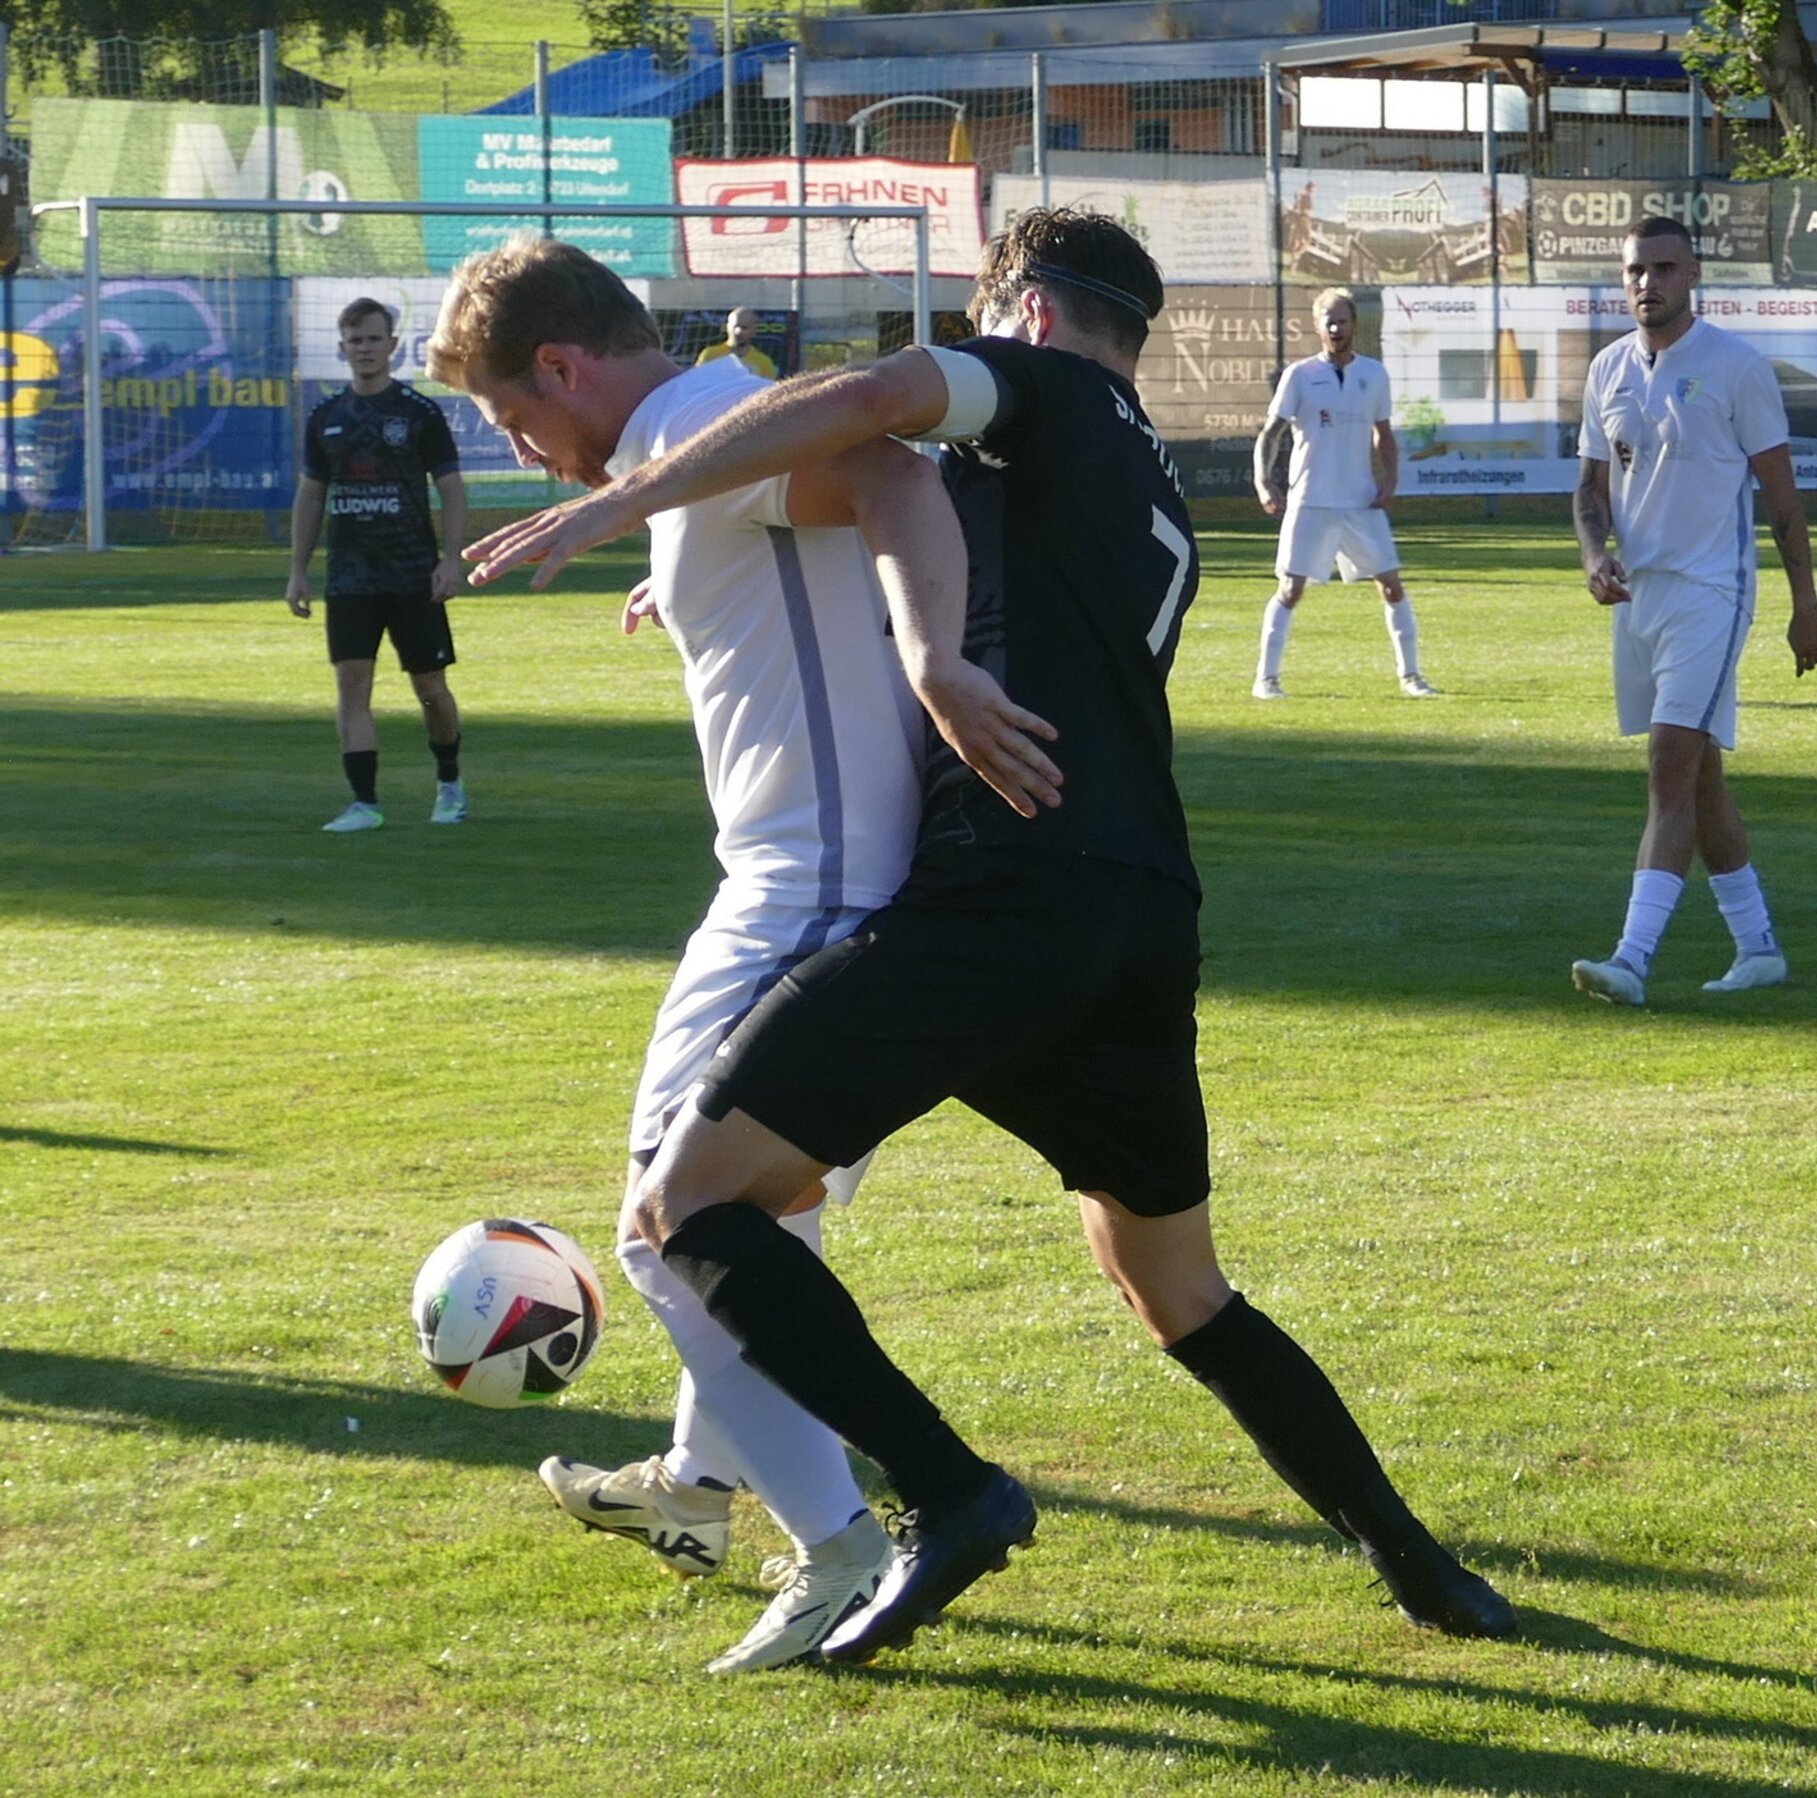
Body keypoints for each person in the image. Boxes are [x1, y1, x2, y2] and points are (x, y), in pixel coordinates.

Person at [464, 209, 1516, 1664]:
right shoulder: (1141, 475)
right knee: (1180, 1291)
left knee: (685, 1206)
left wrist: (626, 499)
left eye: (979, 320)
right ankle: (1425, 1569)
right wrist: (693, 542)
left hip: (1001, 899)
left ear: (1022, 312)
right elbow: (895, 511)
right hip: (1141, 902)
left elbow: (880, 417)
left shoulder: (1043, 388)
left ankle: (933, 1501)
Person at [424, 237, 982, 1670]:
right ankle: (700, 1483)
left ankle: (841, 1541)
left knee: (664, 1223)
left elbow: (893, 476)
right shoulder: (711, 429)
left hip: (810, 883)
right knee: (757, 1223)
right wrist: (693, 582)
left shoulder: (682, 428)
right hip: (827, 871)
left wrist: (934, 656)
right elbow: (810, 518)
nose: (530, 453)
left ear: (562, 366)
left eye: (512, 419)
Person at [1570, 217, 1817, 1007]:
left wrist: (1805, 608)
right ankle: (1758, 948)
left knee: (1669, 765)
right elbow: (1588, 491)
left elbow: (1782, 499)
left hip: (1713, 591)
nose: (1645, 283)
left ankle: (1632, 958)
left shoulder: (1737, 367)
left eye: (1662, 268)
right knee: (1703, 779)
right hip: (1638, 597)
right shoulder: (1609, 369)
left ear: (1694, 276)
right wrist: (1593, 558)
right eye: (1633, 271)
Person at [288, 297, 470, 832]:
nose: (364, 349)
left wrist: (450, 560)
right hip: (349, 578)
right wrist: (298, 570)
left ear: (392, 345)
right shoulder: (325, 418)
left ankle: (450, 783)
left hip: (413, 574)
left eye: (373, 339)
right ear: (341, 349)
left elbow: (453, 490)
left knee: (430, 690)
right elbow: (310, 497)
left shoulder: (419, 413)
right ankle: (365, 803)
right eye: (354, 341)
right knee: (352, 685)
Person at [1251, 287, 1439, 703]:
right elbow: (1272, 433)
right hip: (1310, 500)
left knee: (1391, 585)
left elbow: (1384, 434)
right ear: (1318, 327)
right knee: (1290, 589)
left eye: (1343, 320)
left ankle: (1411, 676)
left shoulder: (1374, 374)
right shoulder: (1299, 375)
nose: (1337, 328)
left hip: (1360, 501)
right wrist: (1264, 481)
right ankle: (1266, 679)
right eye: (1329, 321)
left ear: (1355, 325)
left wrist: (1390, 480)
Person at [694, 307, 778, 381]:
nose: (738, 332)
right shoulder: (709, 356)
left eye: (744, 328)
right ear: (727, 327)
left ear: (754, 331)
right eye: (735, 327)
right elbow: (696, 383)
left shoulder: (764, 363)